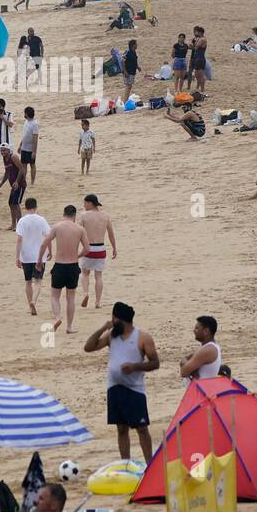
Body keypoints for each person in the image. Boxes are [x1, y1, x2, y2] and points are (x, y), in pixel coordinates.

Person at [84, 302, 158, 464]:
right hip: (114, 387)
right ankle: (125, 463)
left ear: (120, 320)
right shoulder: (111, 336)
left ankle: (150, 464)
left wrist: (135, 366)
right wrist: (103, 328)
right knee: (121, 428)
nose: (111, 321)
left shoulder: (143, 337)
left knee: (142, 428)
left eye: (113, 318)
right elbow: (88, 347)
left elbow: (155, 363)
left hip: (135, 389)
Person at [39, 205, 88, 332]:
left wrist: (39, 260)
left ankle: (57, 317)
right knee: (70, 298)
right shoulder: (80, 229)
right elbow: (87, 249)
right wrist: (78, 256)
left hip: (60, 265)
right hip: (73, 266)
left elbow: (44, 243)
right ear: (74, 215)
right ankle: (69, 327)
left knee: (55, 295)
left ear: (64, 214)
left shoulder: (57, 227)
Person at [78, 194, 116, 309]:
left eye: (85, 203)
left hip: (88, 248)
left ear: (90, 203)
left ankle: (85, 293)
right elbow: (111, 234)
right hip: (100, 248)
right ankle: (98, 302)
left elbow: (78, 232)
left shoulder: (84, 216)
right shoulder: (105, 216)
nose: (84, 205)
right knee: (98, 276)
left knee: (85, 273)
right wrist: (114, 247)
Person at [15, 197, 50, 315]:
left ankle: (30, 304)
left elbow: (19, 239)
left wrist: (17, 256)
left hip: (26, 255)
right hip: (39, 255)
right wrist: (50, 250)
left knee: (28, 281)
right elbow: (48, 237)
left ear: (25, 207)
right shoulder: (41, 219)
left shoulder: (22, 221)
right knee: (38, 280)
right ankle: (34, 301)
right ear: (36, 207)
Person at [178, 316, 222, 385]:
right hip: (199, 391)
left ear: (206, 331)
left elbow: (184, 372)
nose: (194, 330)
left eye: (197, 328)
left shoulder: (208, 350)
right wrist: (193, 371)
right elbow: (184, 359)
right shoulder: (207, 347)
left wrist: (189, 368)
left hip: (200, 393)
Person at [0, 145, 27, 230]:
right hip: (13, 186)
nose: (2, 152)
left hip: (20, 184)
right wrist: (1, 183)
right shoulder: (5, 159)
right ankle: (13, 224)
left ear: (8, 150)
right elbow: (7, 172)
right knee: (11, 203)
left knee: (16, 203)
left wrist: (17, 181)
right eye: (1, 151)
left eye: (4, 150)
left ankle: (19, 225)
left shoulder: (13, 157)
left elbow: (22, 169)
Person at [19, 106, 40, 186]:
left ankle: (32, 182)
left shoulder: (35, 124)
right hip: (24, 147)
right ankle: (24, 181)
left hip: (30, 148)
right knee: (23, 165)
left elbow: (35, 138)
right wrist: (20, 145)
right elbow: (24, 135)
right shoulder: (26, 122)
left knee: (32, 165)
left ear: (27, 114)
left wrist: (34, 151)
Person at [190, 25, 209, 91]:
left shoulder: (202, 39)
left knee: (200, 74)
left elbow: (196, 47)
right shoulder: (199, 39)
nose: (196, 33)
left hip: (200, 58)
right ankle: (198, 88)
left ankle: (202, 89)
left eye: (197, 32)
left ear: (200, 33)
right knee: (197, 74)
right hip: (197, 57)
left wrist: (192, 44)